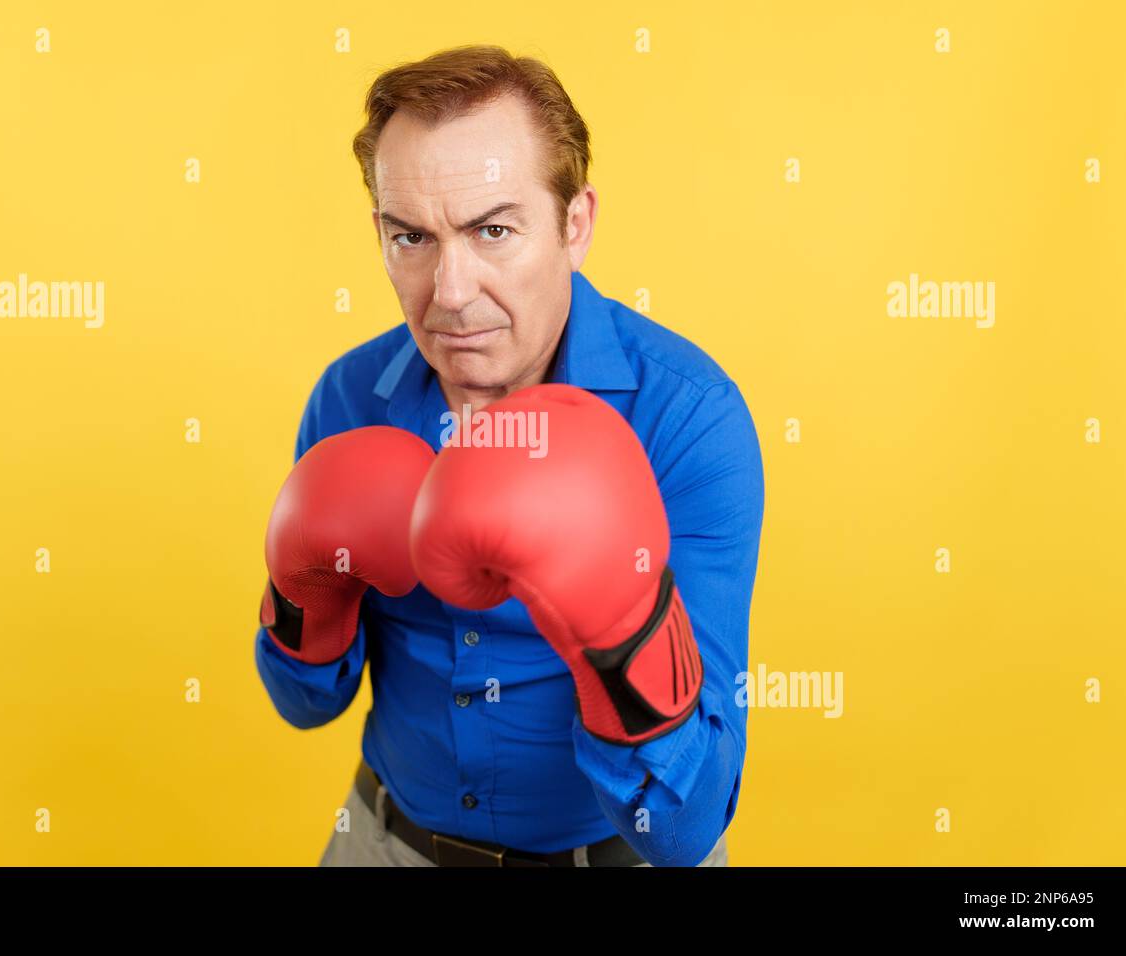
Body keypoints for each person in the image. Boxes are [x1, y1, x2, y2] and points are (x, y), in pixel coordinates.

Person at [255, 44, 765, 867]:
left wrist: (624, 631)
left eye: (493, 230)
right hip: (384, 843)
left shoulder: (688, 419)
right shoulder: (349, 402)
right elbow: (303, 705)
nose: (450, 292)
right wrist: (300, 594)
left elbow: (685, 830)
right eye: (411, 237)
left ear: (575, 225)